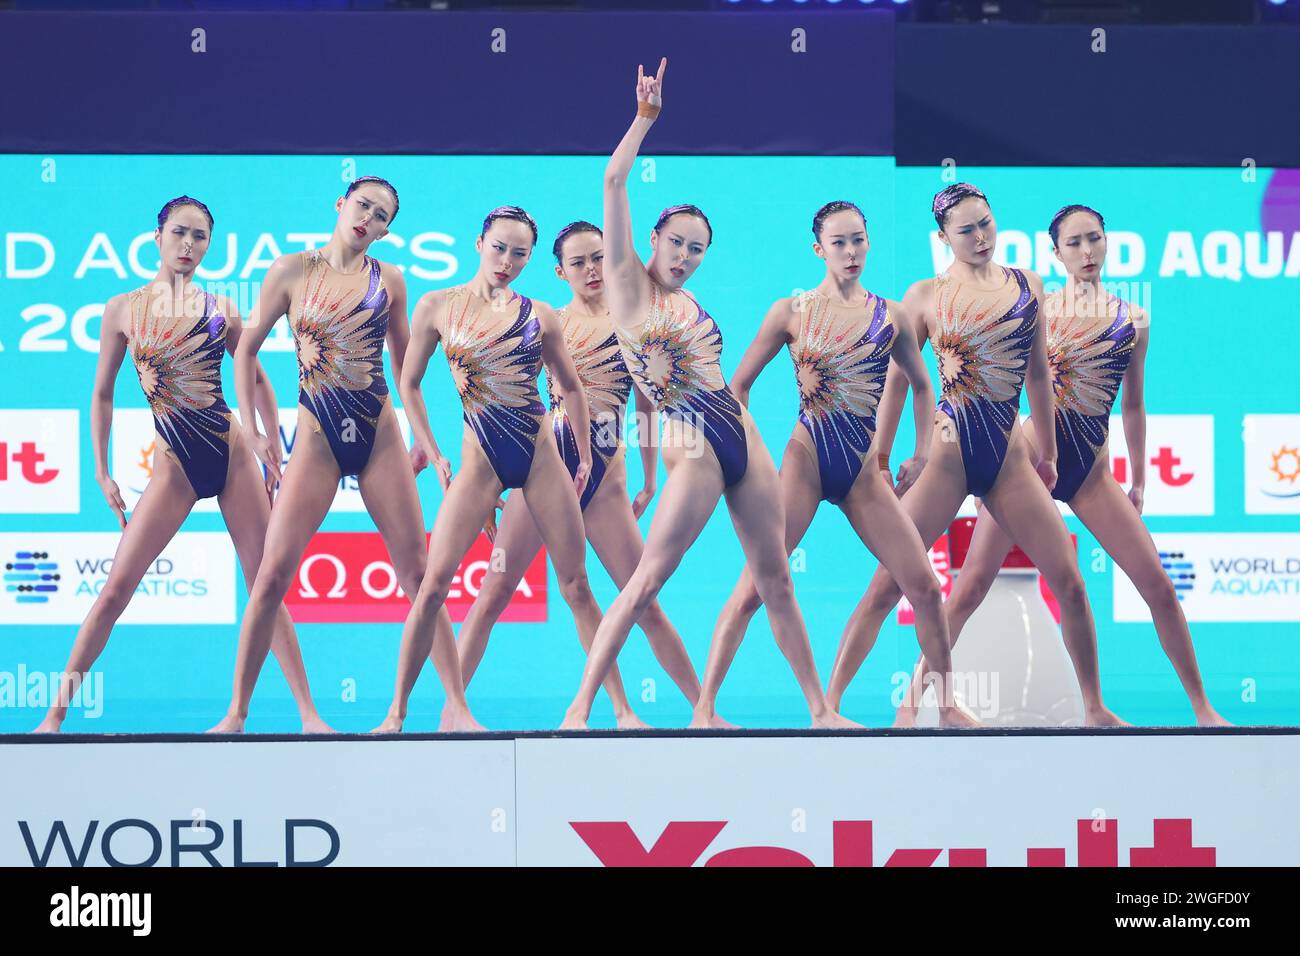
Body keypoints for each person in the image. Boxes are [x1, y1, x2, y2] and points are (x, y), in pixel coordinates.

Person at [560, 59, 857, 730]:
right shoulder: (628, 287)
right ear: (651, 241)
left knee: (775, 579)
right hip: (689, 438)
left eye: (698, 249)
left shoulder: (687, 298)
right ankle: (580, 710)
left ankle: (818, 710)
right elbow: (612, 179)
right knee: (646, 581)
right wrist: (643, 121)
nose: (686, 255)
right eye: (677, 243)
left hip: (738, 431)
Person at [893, 204, 1227, 727]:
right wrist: (989, 467)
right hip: (1024, 460)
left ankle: (1189, 709)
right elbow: (1020, 385)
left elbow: (1133, 405)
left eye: (1094, 239)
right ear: (1056, 253)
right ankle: (912, 704)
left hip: (1091, 472)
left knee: (1158, 586)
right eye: (1073, 243)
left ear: (1107, 240)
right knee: (972, 587)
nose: (1087, 251)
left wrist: (1138, 479)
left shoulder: (1133, 320)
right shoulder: (1036, 304)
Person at [825, 183, 1125, 727]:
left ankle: (1094, 707)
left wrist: (1050, 454)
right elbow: (899, 382)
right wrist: (885, 456)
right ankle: (830, 708)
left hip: (1009, 457)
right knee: (887, 585)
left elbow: (1038, 373)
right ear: (943, 238)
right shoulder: (924, 297)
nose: (981, 236)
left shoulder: (1026, 284)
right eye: (966, 230)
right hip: (950, 453)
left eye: (986, 223)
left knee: (1071, 581)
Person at [36, 196, 329, 733]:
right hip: (174, 468)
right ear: (157, 237)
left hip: (232, 456)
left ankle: (308, 716)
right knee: (116, 589)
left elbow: (258, 377)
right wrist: (101, 470)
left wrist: (268, 443)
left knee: (266, 585)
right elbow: (102, 394)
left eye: (199, 237)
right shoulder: (122, 310)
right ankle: (53, 716)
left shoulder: (221, 309)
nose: (188, 245)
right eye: (179, 233)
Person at [694, 201, 974, 727]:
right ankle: (705, 708)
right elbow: (738, 386)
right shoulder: (791, 312)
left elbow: (920, 385)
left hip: (863, 475)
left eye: (859, 240)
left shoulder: (891, 317)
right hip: (806, 461)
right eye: (839, 243)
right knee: (754, 590)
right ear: (818, 249)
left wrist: (919, 453)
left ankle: (946, 705)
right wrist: (741, 455)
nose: (851, 252)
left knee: (926, 589)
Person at [445, 220, 730, 727]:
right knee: (496, 592)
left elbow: (646, 402)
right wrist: (494, 479)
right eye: (578, 263)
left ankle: (697, 711)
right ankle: (452, 714)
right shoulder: (545, 321)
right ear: (559, 272)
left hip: (607, 483)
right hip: (546, 473)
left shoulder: (633, 317)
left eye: (599, 257)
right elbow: (504, 399)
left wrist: (648, 479)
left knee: (645, 602)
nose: (592, 269)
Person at [213, 176, 468, 732]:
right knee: (272, 576)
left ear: (385, 230)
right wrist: (255, 430)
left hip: (377, 439)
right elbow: (246, 350)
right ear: (340, 204)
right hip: (316, 441)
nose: (368, 219)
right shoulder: (290, 271)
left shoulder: (391, 281)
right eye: (362, 206)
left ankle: (457, 709)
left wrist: (424, 443)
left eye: (381, 216)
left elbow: (407, 372)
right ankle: (236, 713)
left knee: (419, 575)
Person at [377, 206, 636, 732]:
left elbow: (571, 387)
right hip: (478, 466)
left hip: (542, 461)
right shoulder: (436, 306)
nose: (507, 260)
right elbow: (408, 384)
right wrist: (432, 449)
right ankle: (398, 714)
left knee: (577, 587)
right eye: (499, 248)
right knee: (432, 589)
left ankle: (618, 710)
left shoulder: (540, 314)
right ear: (479, 243)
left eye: (520, 254)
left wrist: (584, 455)